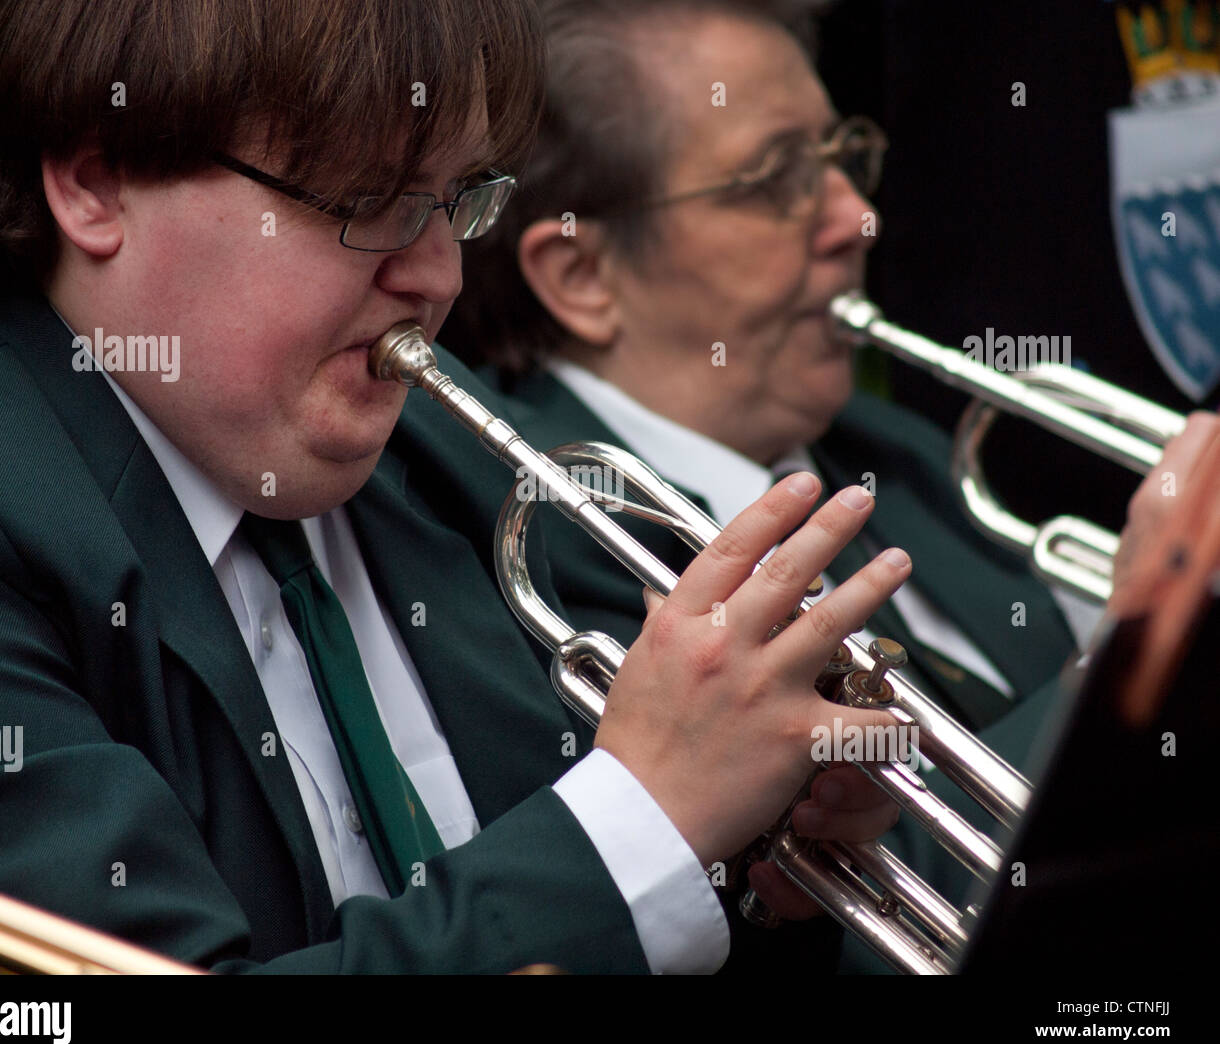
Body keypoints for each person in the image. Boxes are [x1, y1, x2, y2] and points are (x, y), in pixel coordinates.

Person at [0, 0, 911, 974]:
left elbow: (638, 882)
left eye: (459, 199)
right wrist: (644, 824)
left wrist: (757, 869)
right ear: (98, 184)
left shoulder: (426, 445)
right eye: (367, 202)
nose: (437, 277)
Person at [443, 0, 1104, 749]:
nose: (859, 220)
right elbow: (861, 848)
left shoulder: (895, 451)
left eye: (843, 156)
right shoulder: (552, 545)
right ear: (583, 275)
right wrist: (1143, 653)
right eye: (776, 178)